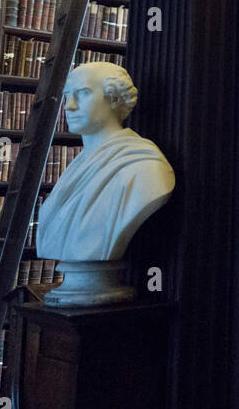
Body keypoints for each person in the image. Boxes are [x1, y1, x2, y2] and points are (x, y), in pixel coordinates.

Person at [35, 61, 174, 265]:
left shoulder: (144, 168)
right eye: (67, 95)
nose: (70, 106)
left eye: (83, 93)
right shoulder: (78, 165)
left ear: (114, 98)